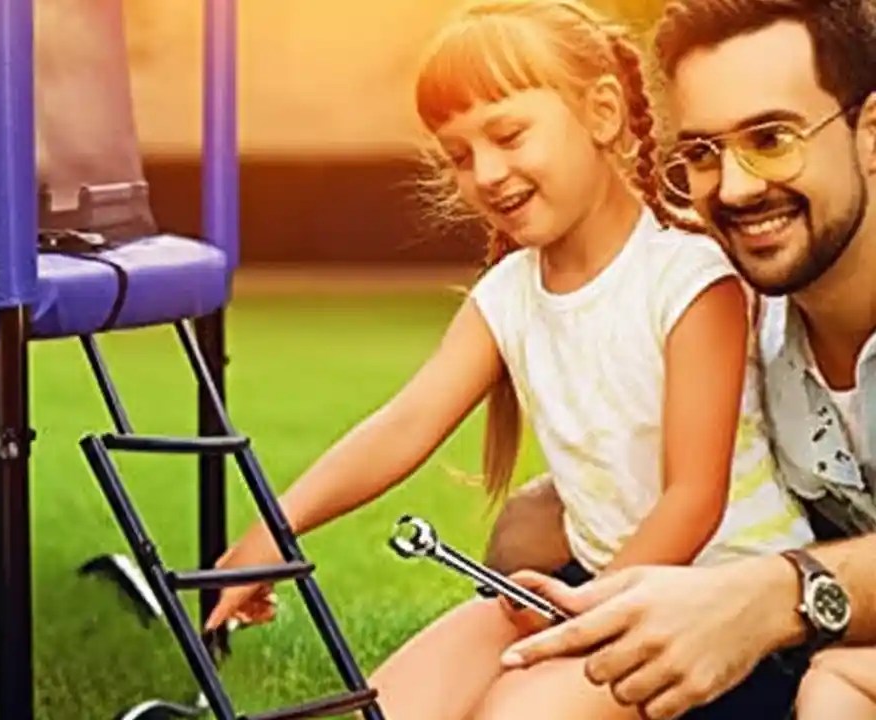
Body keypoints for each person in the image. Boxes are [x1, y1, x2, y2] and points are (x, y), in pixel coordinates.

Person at [201, 1, 814, 717]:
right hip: (593, 584)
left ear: (603, 113)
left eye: (509, 134)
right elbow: (404, 425)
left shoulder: (688, 279)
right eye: (460, 155)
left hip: (724, 619)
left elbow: (694, 500)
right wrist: (267, 536)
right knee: (389, 708)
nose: (486, 172)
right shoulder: (511, 294)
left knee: (517, 708)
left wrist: (587, 618)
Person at [492, 1, 876, 719]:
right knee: (531, 532)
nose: (733, 188)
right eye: (702, 154)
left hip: (837, 666)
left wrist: (776, 594)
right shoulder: (748, 328)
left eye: (772, 138)